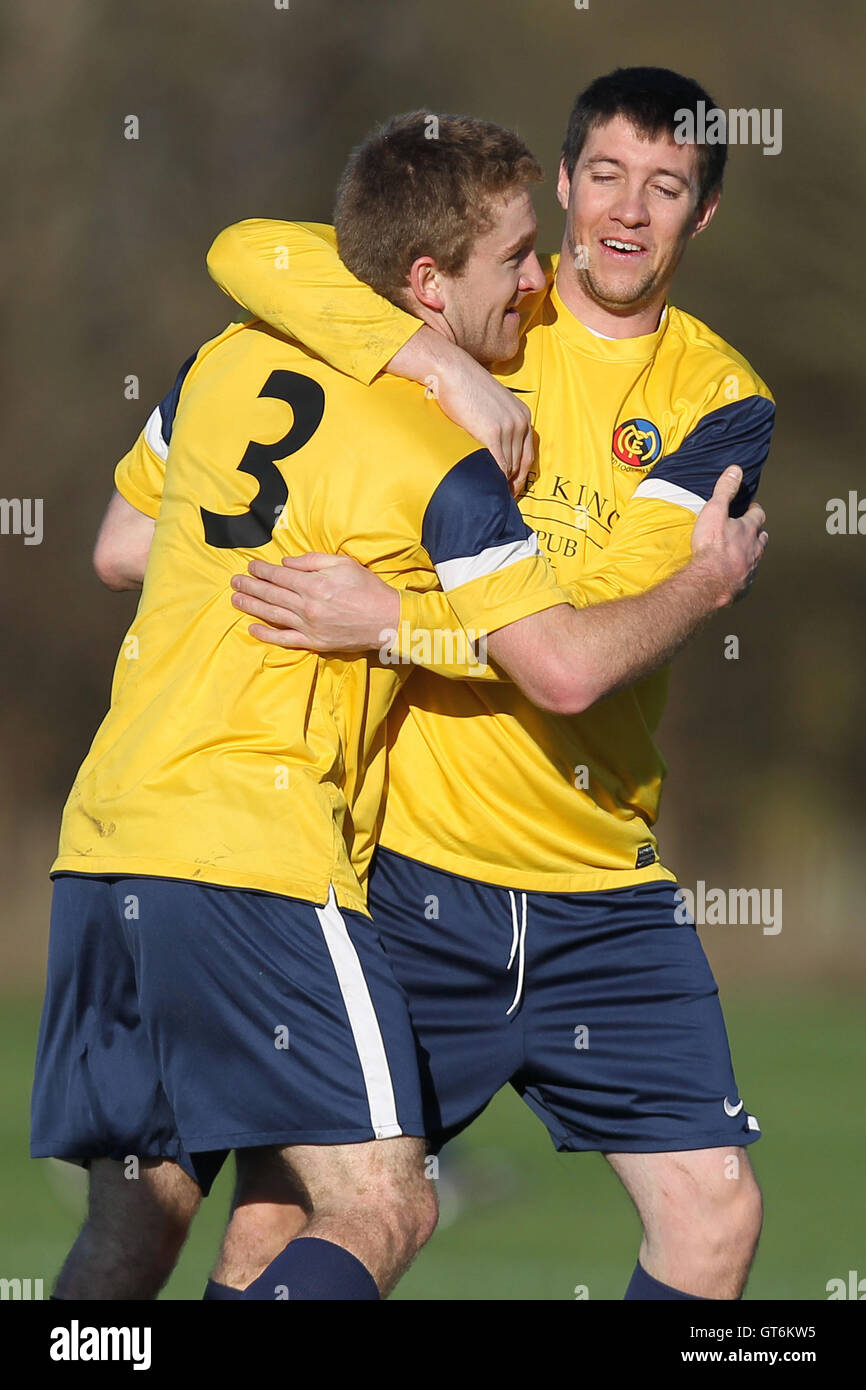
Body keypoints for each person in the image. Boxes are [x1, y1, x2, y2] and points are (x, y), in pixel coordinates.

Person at [33, 111, 766, 1303]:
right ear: (428, 283)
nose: (541, 283)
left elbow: (123, 544)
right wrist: (702, 578)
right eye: (517, 257)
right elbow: (562, 665)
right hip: (258, 859)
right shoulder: (440, 464)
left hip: (104, 845)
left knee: (129, 1241)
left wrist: (298, 534)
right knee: (383, 1203)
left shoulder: (227, 360)